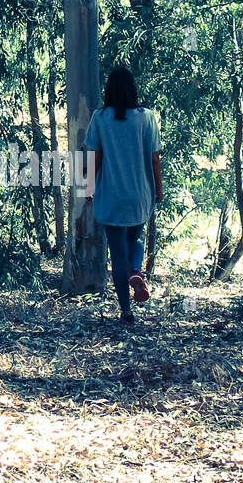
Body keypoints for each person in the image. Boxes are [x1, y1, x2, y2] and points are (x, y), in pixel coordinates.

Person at [83, 67, 163, 326]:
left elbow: (94, 157)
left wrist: (89, 188)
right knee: (134, 240)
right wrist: (158, 189)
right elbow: (154, 159)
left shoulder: (100, 118)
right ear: (133, 90)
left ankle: (126, 312)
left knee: (117, 253)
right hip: (139, 196)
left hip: (111, 196)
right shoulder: (146, 117)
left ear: (109, 91)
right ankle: (137, 271)